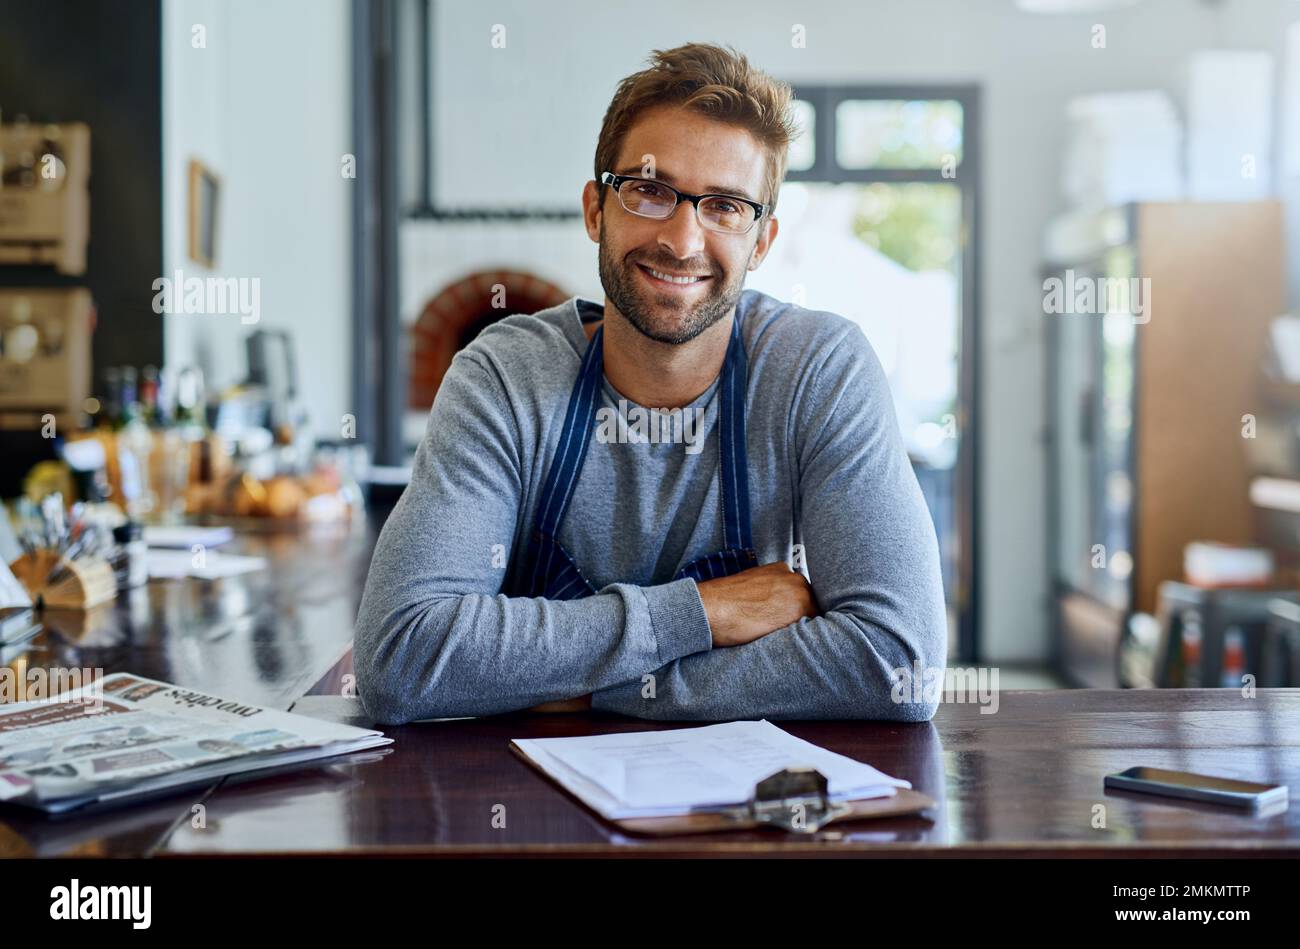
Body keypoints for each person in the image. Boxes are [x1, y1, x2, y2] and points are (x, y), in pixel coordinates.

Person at [355, 42, 946, 723]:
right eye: (649, 189)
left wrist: (582, 690)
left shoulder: (817, 371)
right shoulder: (503, 377)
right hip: (525, 816)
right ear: (595, 210)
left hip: (740, 809)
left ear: (761, 242)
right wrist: (706, 611)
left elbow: (900, 661)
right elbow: (401, 659)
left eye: (724, 206)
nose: (683, 238)